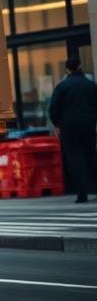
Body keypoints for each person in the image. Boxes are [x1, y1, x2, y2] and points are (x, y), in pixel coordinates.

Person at [48, 58, 97, 204]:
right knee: (91, 155)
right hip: (89, 125)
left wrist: (57, 124)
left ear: (67, 70)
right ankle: (94, 187)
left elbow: (53, 108)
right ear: (80, 66)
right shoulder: (90, 85)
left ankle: (82, 194)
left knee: (75, 158)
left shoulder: (62, 86)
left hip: (69, 127)